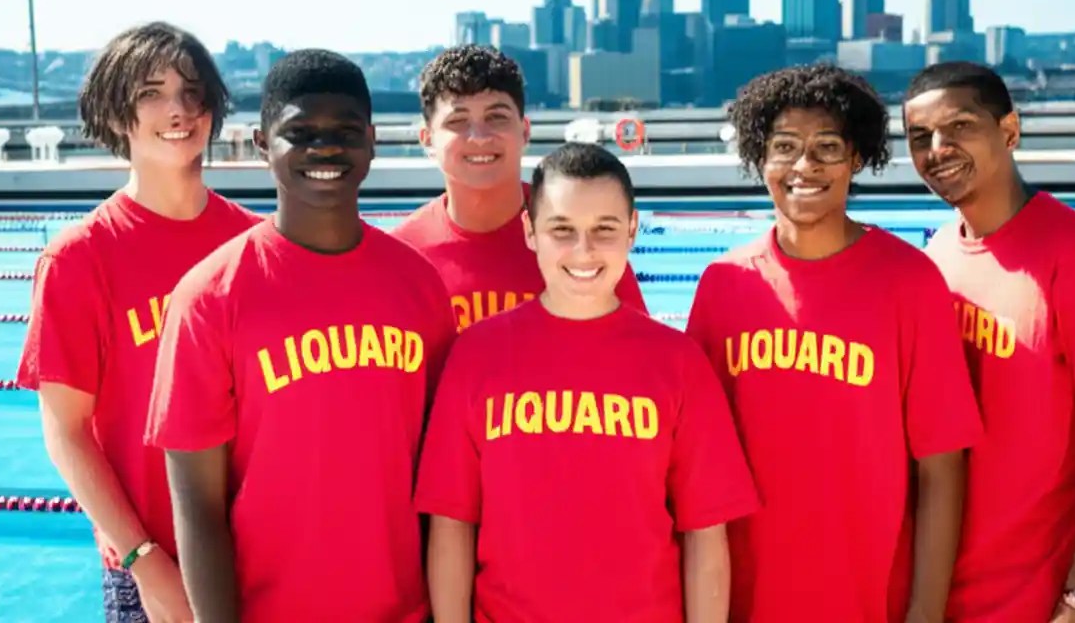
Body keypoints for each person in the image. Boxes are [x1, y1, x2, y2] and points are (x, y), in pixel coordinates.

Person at [144, 49, 456, 623]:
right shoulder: (210, 297)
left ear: (372, 140)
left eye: (343, 131)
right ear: (263, 143)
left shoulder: (419, 286)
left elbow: (442, 482)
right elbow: (195, 505)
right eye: (300, 132)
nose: (325, 148)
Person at [684, 64, 984, 623]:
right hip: (744, 602)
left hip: (871, 600)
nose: (804, 166)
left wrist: (924, 611)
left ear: (857, 158)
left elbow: (941, 468)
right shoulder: (725, 286)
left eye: (827, 146)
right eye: (785, 147)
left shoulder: (907, 283)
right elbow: (690, 468)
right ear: (760, 158)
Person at [414, 142, 760, 623]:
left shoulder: (677, 363)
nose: (584, 251)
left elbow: (706, 533)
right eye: (563, 230)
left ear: (633, 229)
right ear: (530, 231)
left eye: (604, 229)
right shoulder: (477, 355)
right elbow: (452, 523)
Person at [14, 22, 261, 623]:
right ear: (117, 112)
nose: (178, 109)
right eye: (152, 91)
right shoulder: (81, 259)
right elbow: (66, 434)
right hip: (153, 568)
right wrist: (146, 564)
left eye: (192, 90)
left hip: (260, 556)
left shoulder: (252, 243)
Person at [902, 61, 1075, 623]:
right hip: (953, 591)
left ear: (1009, 130)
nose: (938, 149)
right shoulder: (938, 254)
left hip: (1044, 601)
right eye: (921, 137)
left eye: (960, 127)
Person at [391, 44, 646, 331]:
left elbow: (637, 352)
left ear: (525, 131)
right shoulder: (403, 257)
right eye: (458, 121)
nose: (479, 137)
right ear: (427, 139)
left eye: (496, 117)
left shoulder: (579, 240)